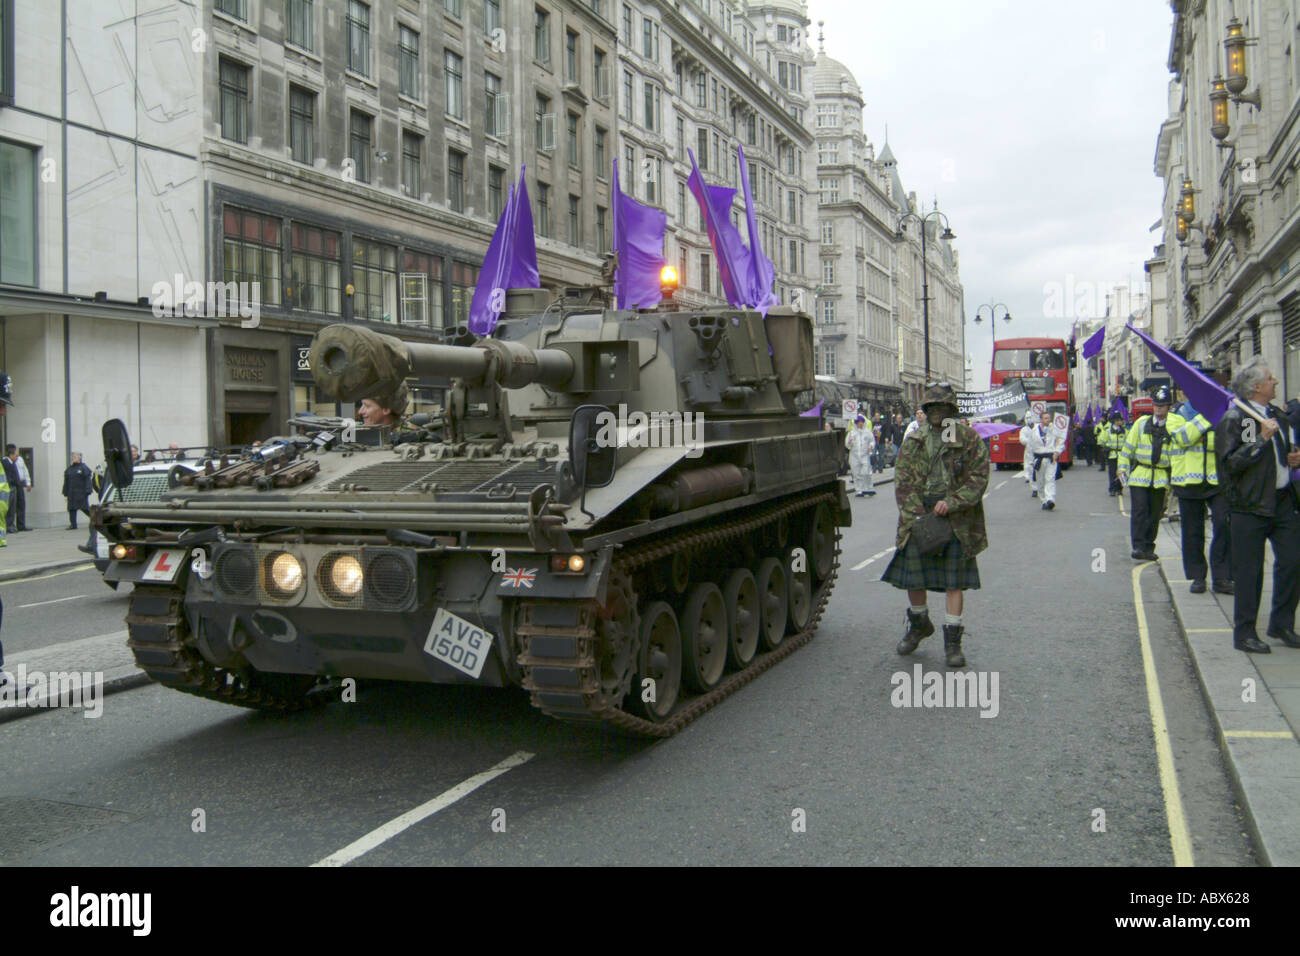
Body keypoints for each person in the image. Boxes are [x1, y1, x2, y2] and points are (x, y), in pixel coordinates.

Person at [882, 383, 990, 668]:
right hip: (920, 516)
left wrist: (953, 502)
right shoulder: (914, 440)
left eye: (944, 408)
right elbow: (902, 482)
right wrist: (917, 515)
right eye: (933, 408)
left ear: (952, 410)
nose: (938, 414)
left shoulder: (965, 438)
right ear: (926, 410)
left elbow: (978, 477)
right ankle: (919, 624)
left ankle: (953, 643)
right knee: (914, 578)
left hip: (955, 519)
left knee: (955, 582)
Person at [1215, 358, 1300, 654]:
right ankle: (1245, 633)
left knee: (1293, 560)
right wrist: (1261, 439)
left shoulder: (1279, 415)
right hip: (1250, 506)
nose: (1276, 382)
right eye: (1271, 379)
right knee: (1250, 572)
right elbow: (1232, 464)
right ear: (1256, 387)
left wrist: (1291, 459)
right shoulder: (1243, 419)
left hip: (1283, 502)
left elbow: (1280, 455)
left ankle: (1281, 624)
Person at [1169, 384, 1232, 595]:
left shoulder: (1226, 411)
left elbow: (1226, 439)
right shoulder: (1177, 413)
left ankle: (1222, 577)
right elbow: (1183, 438)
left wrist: (1204, 431)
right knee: (1193, 531)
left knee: (1224, 524)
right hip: (1188, 480)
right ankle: (1197, 576)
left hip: (1217, 479)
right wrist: (1207, 417)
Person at [1119, 387, 1177, 561]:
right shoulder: (1142, 423)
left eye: (1162, 406)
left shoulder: (1174, 424)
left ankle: (1149, 547)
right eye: (1156, 405)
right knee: (1140, 510)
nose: (1158, 409)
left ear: (1169, 407)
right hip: (1140, 474)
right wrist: (1122, 467)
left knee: (1155, 514)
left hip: (1160, 477)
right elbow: (1128, 448)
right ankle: (1138, 547)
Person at [1029, 410, 1063, 510]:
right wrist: (1031, 461)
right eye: (1046, 418)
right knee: (1040, 482)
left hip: (1051, 458)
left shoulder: (1054, 429)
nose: (1048, 420)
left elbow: (1060, 442)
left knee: (1050, 479)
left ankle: (1050, 500)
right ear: (1041, 419)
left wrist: (1057, 452)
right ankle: (1044, 500)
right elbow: (1030, 447)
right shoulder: (1034, 431)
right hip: (1039, 458)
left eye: (1049, 418)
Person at [62, 452, 94, 530]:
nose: (73, 458)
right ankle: (73, 525)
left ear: (79, 458)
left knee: (84, 508)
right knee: (71, 508)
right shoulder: (69, 469)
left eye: (75, 457)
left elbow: (88, 480)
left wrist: (88, 489)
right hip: (71, 492)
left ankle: (95, 518)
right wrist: (65, 491)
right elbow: (66, 481)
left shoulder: (83, 468)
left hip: (81, 492)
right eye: (72, 457)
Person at [845, 414, 875, 497]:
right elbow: (847, 445)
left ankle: (868, 488)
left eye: (862, 422)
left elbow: (872, 441)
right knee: (856, 473)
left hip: (865, 455)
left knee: (866, 472)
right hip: (854, 456)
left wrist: (871, 446)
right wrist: (849, 442)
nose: (860, 424)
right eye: (858, 422)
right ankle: (859, 490)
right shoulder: (851, 433)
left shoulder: (868, 432)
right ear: (856, 423)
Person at [1100, 411, 1127, 494]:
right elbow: (1102, 441)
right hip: (1112, 455)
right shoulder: (1107, 431)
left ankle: (1119, 489)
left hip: (1122, 455)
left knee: (1121, 473)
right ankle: (1112, 489)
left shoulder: (1125, 431)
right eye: (1118, 420)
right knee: (1112, 473)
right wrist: (1107, 447)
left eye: (1121, 420)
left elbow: (1128, 442)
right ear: (1114, 421)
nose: (1120, 422)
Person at [4, 444, 29, 531]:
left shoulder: (17, 461)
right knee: (10, 507)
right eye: (15, 454)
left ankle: (20, 525)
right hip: (11, 486)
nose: (17, 455)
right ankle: (9, 525)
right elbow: (9, 476)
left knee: (20, 505)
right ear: (10, 454)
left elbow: (25, 470)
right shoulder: (6, 462)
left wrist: (27, 482)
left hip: (19, 483)